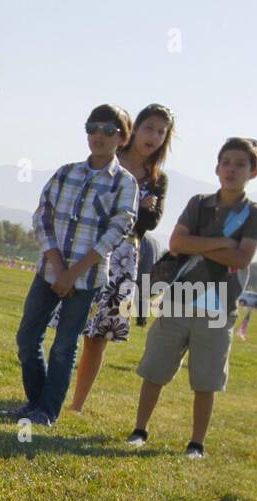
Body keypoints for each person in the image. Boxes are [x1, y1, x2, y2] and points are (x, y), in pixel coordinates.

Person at [127, 137, 257, 458]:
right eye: (226, 162)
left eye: (240, 164)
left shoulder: (255, 213)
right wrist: (222, 243)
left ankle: (196, 444)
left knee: (206, 379)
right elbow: (177, 243)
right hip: (178, 297)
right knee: (155, 370)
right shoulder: (198, 202)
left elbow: (241, 259)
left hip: (219, 305)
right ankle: (139, 430)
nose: (231, 169)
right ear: (217, 167)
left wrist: (200, 242)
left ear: (253, 172)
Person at [8, 105, 138, 425]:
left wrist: (74, 273)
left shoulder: (124, 184)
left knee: (64, 347)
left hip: (87, 277)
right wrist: (56, 263)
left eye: (109, 130)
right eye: (93, 128)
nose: (99, 135)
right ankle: (36, 401)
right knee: (27, 338)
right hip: (48, 271)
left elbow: (117, 231)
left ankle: (47, 412)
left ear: (122, 138)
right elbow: (42, 216)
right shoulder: (66, 172)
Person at [68, 103, 173, 412]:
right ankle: (52, 390)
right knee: (72, 324)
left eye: (160, 132)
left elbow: (149, 224)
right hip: (91, 246)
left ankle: (77, 403)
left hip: (125, 257)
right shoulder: (110, 159)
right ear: (134, 129)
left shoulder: (157, 178)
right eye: (148, 128)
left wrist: (142, 208)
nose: (153, 136)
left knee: (97, 334)